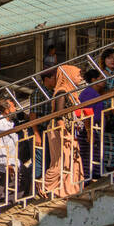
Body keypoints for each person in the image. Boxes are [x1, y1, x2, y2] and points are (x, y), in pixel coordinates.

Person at [39, 65, 85, 198]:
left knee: (72, 158)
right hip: (60, 131)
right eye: (77, 76)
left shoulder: (70, 91)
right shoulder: (62, 92)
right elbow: (59, 114)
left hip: (68, 130)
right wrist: (64, 133)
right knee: (62, 160)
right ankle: (45, 186)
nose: (80, 78)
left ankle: (69, 188)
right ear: (68, 76)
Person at [0, 97, 20, 207]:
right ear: (6, 110)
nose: (15, 108)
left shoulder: (9, 123)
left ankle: (7, 206)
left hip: (11, 160)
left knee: (12, 185)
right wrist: (6, 163)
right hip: (1, 164)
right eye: (13, 106)